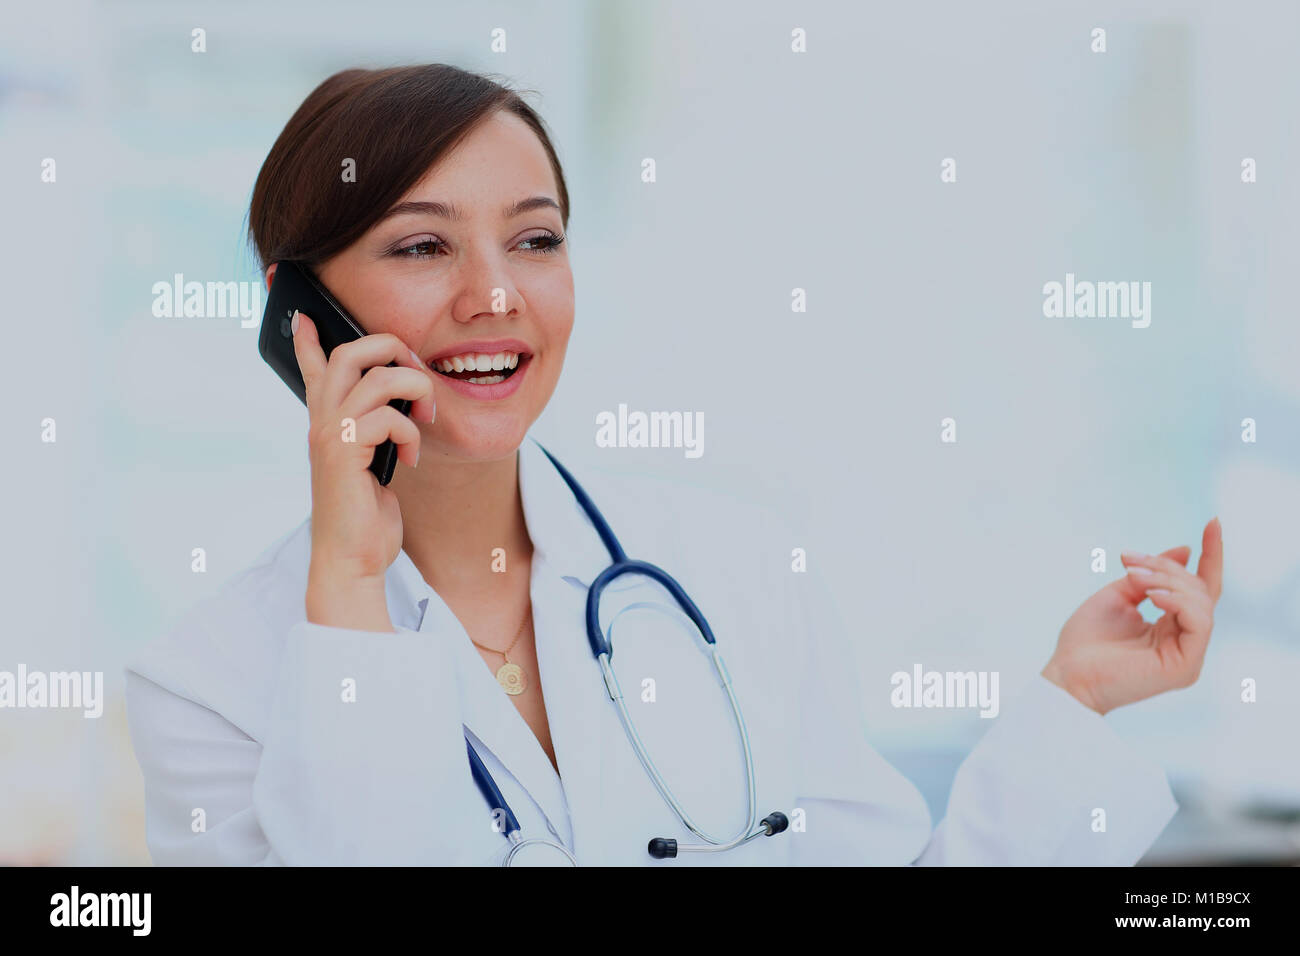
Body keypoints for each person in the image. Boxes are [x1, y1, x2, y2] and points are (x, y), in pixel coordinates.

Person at [125, 63, 1225, 866]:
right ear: (297, 312)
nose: (494, 294)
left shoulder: (734, 569)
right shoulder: (210, 684)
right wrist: (352, 592)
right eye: (422, 245)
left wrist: (1075, 700)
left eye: (535, 238)